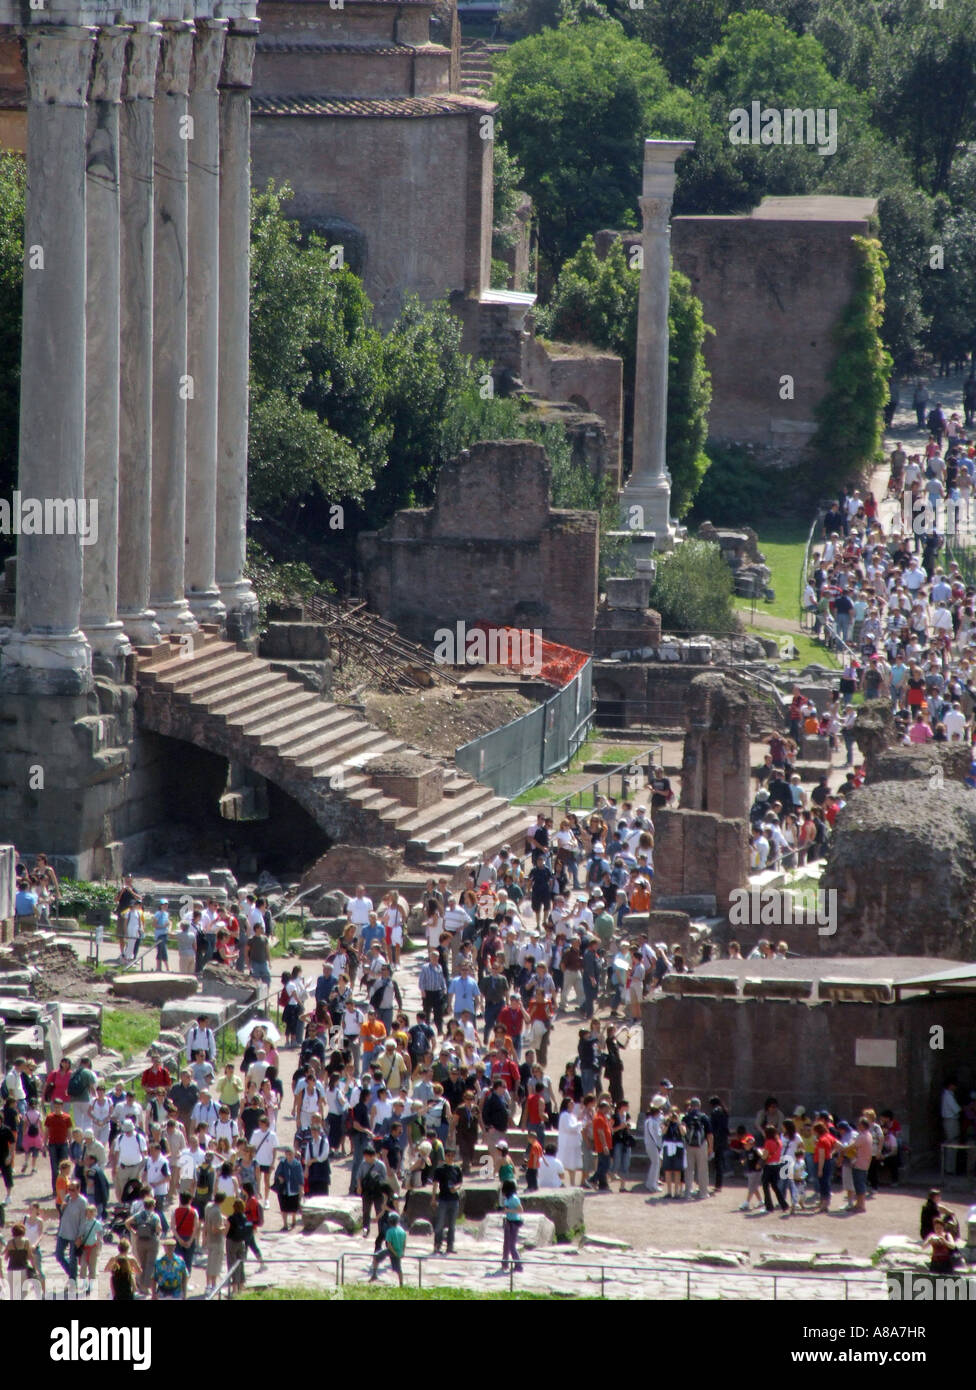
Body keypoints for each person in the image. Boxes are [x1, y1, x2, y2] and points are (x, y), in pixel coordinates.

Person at [432, 1143, 462, 1255]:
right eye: (448, 1155)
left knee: (452, 1225)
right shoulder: (440, 1169)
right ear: (445, 1156)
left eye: (452, 1155)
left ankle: (450, 1246)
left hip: (454, 1199)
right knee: (440, 1224)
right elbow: (435, 1184)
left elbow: (460, 1183)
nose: (450, 1157)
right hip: (443, 1199)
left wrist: (456, 1188)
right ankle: (437, 1245)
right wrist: (433, 1198)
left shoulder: (457, 1169)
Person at [369, 1209, 406, 1286]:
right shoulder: (402, 1231)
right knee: (399, 1269)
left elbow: (389, 1245)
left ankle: (374, 1275)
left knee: (376, 1257)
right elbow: (404, 1243)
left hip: (391, 1251)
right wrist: (402, 1252)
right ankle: (401, 1284)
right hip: (399, 1251)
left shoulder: (389, 1231)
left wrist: (394, 1252)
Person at [273, 1146, 304, 1232]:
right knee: (283, 1207)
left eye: (290, 1154)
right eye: (287, 1154)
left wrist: (301, 1189)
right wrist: (280, 1177)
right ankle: (285, 1224)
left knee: (294, 1207)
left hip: (294, 1189)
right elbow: (277, 1173)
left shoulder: (297, 1164)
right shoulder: (282, 1163)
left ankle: (293, 1220)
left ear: (294, 1154)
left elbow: (300, 1177)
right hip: (284, 1189)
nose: (289, 1156)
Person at [499, 1179, 523, 1272]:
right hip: (508, 1221)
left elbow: (520, 1210)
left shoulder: (514, 1198)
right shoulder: (507, 1198)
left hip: (514, 1223)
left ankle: (518, 1264)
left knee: (512, 1245)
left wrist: (509, 1211)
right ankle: (505, 1263)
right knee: (506, 1244)